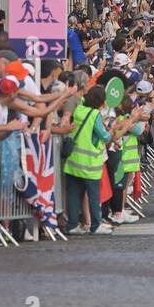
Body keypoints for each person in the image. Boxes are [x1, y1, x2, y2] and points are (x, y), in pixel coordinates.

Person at [63, 85, 113, 235]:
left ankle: (72, 225)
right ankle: (96, 225)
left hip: (73, 160)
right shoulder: (94, 115)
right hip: (90, 163)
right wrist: (111, 129)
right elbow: (104, 136)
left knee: (73, 194)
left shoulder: (78, 110)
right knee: (93, 195)